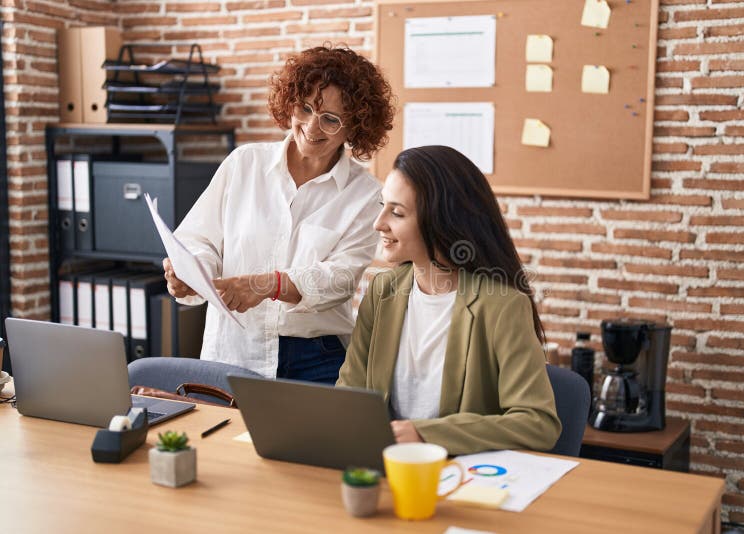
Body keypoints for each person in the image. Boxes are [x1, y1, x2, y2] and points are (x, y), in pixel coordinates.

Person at [163, 45, 395, 382]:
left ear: (355, 128)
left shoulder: (366, 194)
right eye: (305, 108)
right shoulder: (245, 163)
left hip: (317, 357)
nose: (312, 127)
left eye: (330, 119)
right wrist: (191, 273)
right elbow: (199, 239)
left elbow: (340, 279)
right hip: (234, 347)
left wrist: (268, 284)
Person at [337, 145, 561, 455]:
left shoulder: (502, 306)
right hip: (386, 468)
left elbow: (538, 423)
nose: (379, 223)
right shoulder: (382, 292)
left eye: (397, 212)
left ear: (440, 221)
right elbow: (350, 395)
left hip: (462, 475)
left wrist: (425, 434)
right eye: (382, 206)